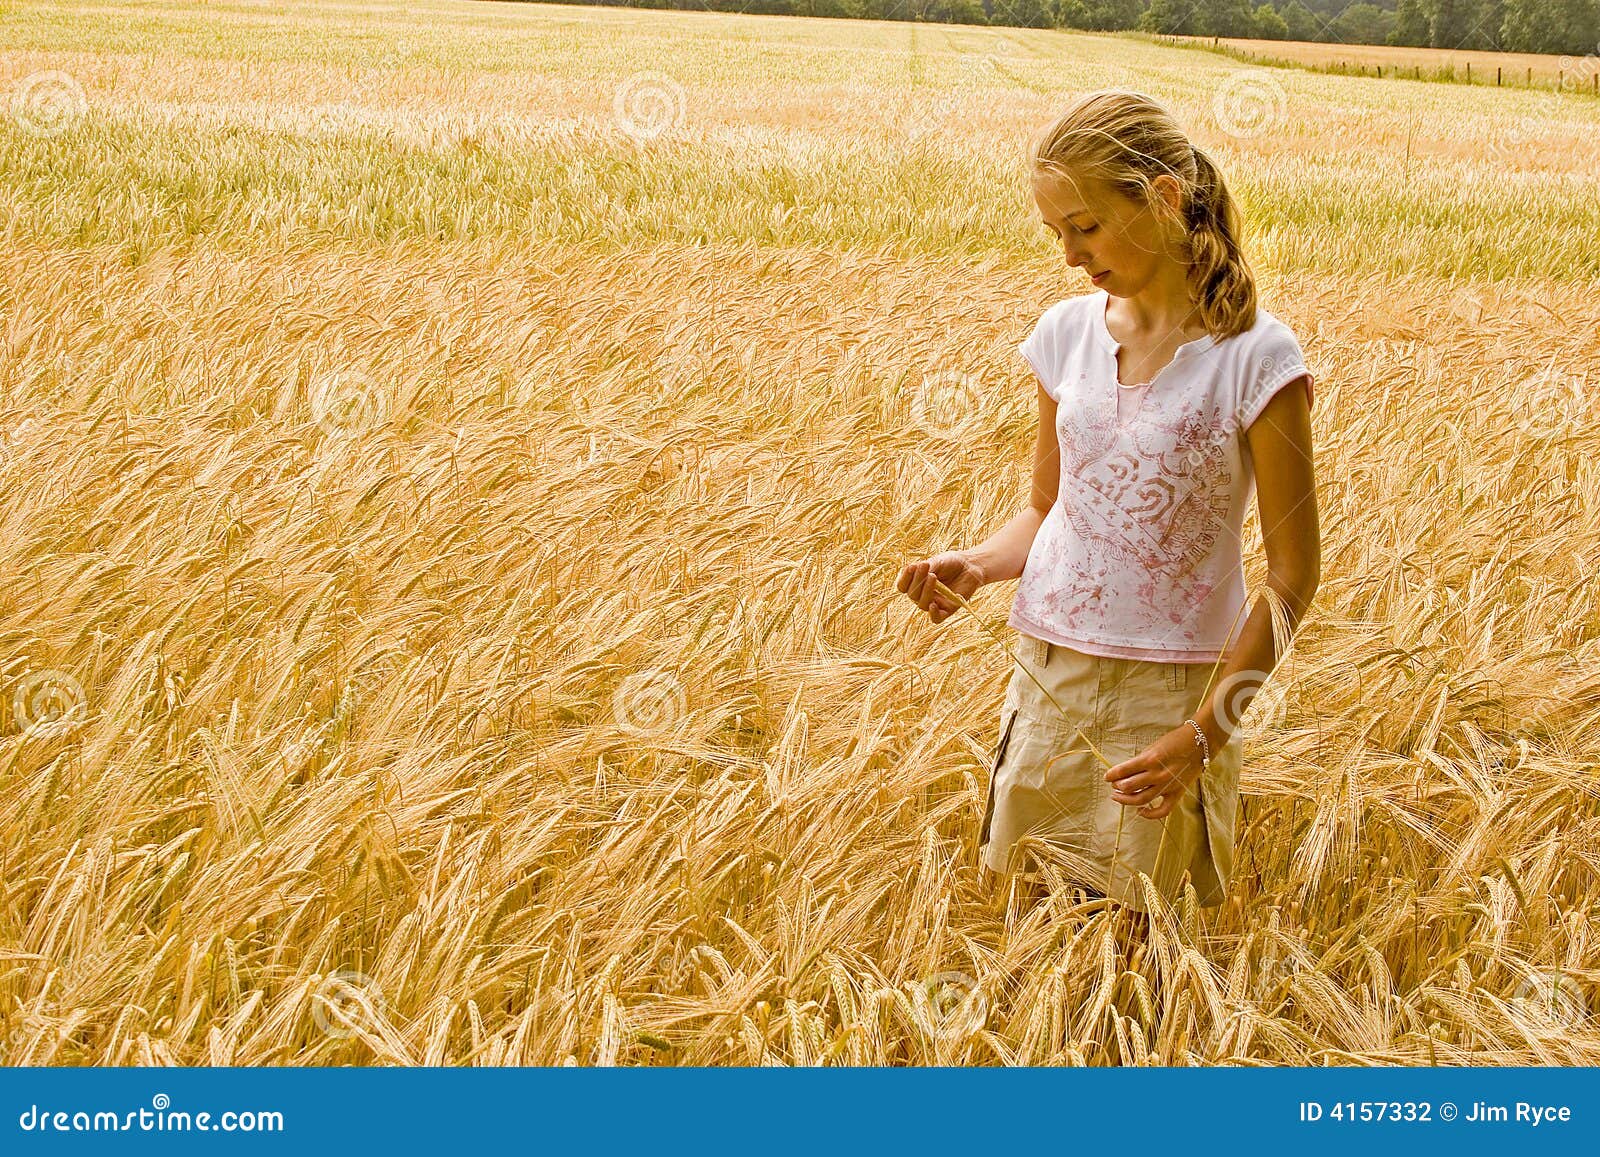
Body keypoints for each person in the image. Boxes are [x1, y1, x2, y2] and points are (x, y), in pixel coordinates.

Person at [896, 90, 1320, 915]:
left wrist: (1204, 736)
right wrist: (976, 565)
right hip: (1047, 678)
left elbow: (1294, 578)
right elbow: (1048, 507)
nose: (1068, 255)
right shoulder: (1064, 334)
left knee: (1147, 947)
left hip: (1173, 698)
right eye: (1055, 232)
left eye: (1084, 226)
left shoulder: (1257, 356)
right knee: (1029, 930)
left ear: (1161, 197)